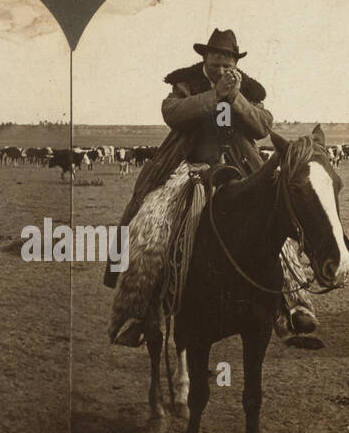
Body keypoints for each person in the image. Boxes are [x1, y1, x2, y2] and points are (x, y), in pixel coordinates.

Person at [105, 28, 319, 346]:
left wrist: (234, 96)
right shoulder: (184, 85)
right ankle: (135, 312)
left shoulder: (248, 89)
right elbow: (172, 113)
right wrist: (214, 95)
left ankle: (295, 306)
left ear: (235, 63)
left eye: (227, 62)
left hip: (241, 171)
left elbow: (262, 126)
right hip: (188, 169)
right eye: (215, 61)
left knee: (275, 226)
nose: (221, 68)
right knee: (150, 223)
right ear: (204, 59)